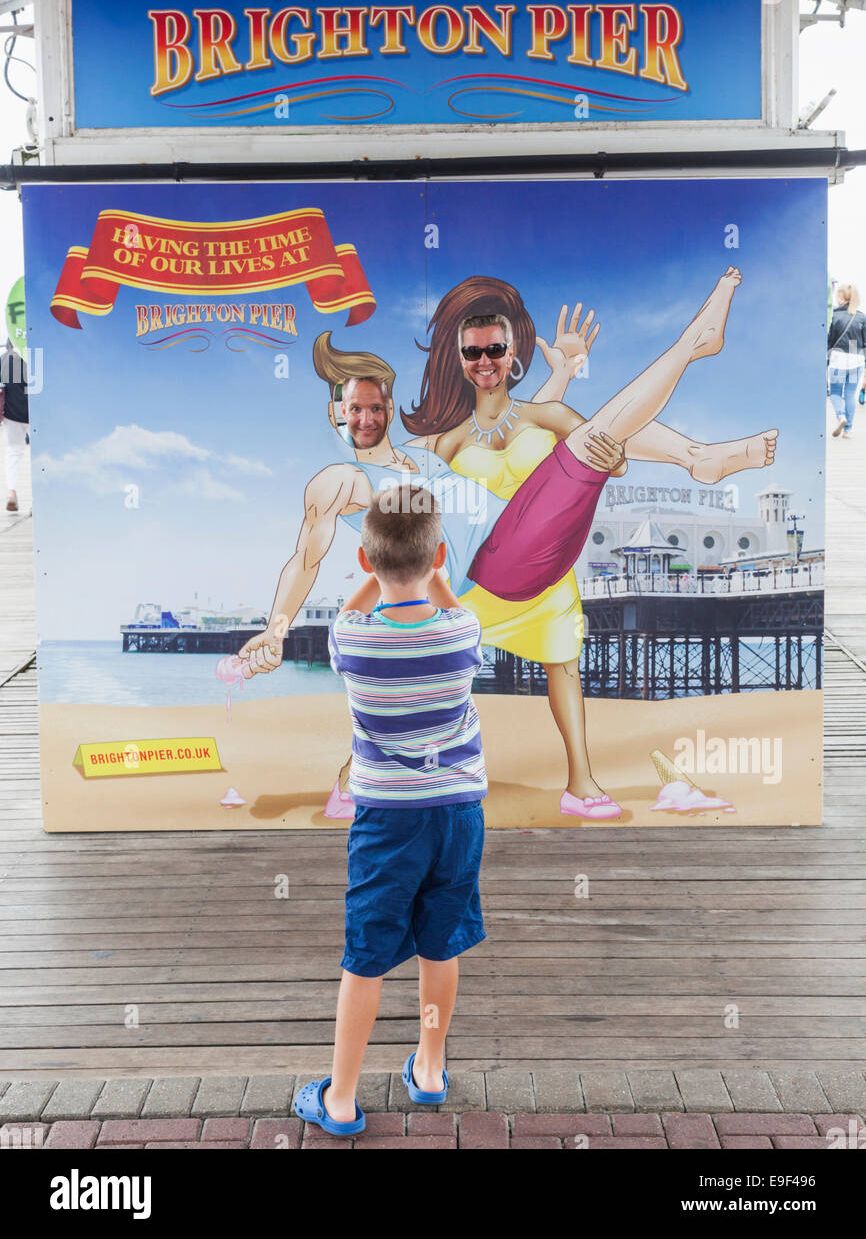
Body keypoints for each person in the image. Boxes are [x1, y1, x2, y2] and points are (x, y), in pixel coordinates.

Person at [402, 269, 776, 817]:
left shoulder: (542, 415)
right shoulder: (446, 440)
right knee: (587, 438)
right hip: (488, 573)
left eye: (495, 350)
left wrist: (596, 430)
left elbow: (611, 444)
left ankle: (581, 783)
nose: (485, 362)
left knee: (566, 667)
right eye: (473, 353)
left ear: (512, 355)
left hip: (549, 569)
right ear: (458, 359)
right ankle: (694, 366)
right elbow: (404, 486)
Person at [292, 484, 486, 1135]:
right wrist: (435, 575)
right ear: (438, 557)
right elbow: (447, 604)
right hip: (457, 813)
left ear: (365, 561)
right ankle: (430, 1067)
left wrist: (377, 574)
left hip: (387, 820)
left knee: (367, 954)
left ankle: (341, 1098)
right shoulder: (462, 630)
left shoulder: (351, 638)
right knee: (440, 943)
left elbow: (358, 606)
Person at [827, 282, 865, 439]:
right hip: (856, 361)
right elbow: (863, 343)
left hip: (838, 360)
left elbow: (830, 341)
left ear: (841, 296)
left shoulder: (834, 316)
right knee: (850, 394)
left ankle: (841, 415)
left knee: (835, 393)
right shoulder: (861, 317)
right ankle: (848, 430)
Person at [0, 334, 29, 513]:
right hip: (36, 414)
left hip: (12, 414)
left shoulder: (3, 359)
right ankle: (38, 500)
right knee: (41, 456)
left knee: (13, 453)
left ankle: (11, 493)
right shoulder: (34, 356)